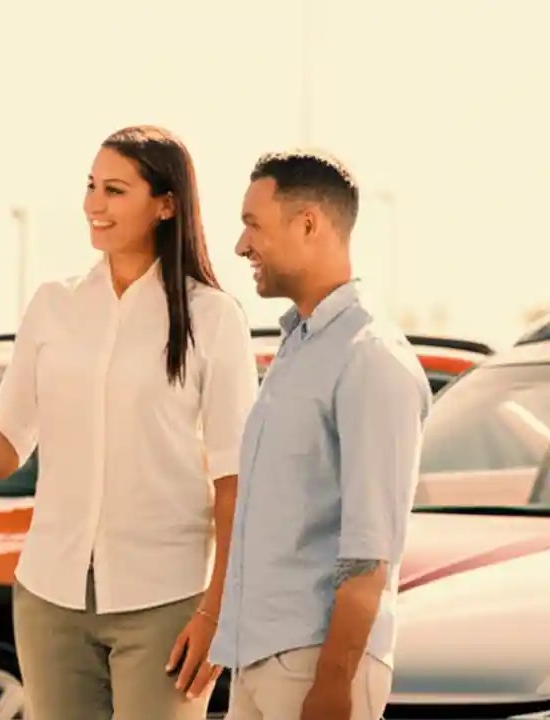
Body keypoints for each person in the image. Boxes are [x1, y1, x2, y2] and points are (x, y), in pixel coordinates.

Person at [0, 125, 259, 719]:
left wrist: (219, 612)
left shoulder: (214, 319)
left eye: (115, 190)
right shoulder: (53, 306)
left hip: (166, 599)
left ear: (166, 205)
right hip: (49, 595)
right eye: (91, 186)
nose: (93, 204)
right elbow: (3, 455)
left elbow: (234, 483)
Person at [208, 150, 431, 720]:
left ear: (307, 223)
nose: (240, 245)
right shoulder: (301, 344)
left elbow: (369, 552)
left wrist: (332, 685)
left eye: (252, 224)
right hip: (261, 662)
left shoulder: (369, 356)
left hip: (317, 667)